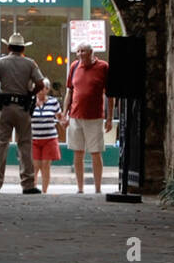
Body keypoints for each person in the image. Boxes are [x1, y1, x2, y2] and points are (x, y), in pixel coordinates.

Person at [0, 33, 47, 194]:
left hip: (5, 108)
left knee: (1, 144)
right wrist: (30, 93)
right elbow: (40, 83)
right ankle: (28, 184)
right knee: (25, 145)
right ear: (23, 48)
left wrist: (0, 96)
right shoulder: (30, 64)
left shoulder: (0, 63)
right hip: (23, 108)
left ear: (9, 47)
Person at [62, 43, 114, 194]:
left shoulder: (103, 67)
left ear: (91, 52)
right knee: (78, 152)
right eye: (78, 51)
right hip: (75, 116)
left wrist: (110, 118)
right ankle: (80, 188)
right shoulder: (74, 66)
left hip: (95, 117)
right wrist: (65, 113)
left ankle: (97, 188)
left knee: (95, 152)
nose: (79, 54)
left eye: (82, 51)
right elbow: (69, 92)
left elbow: (110, 95)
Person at [31, 78, 65, 193]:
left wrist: (64, 122)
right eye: (38, 89)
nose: (40, 91)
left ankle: (44, 191)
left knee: (45, 165)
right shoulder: (30, 102)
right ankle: (33, 188)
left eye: (43, 88)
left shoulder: (53, 102)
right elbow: (25, 119)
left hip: (49, 138)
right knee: (35, 166)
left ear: (47, 89)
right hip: (34, 138)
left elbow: (59, 117)